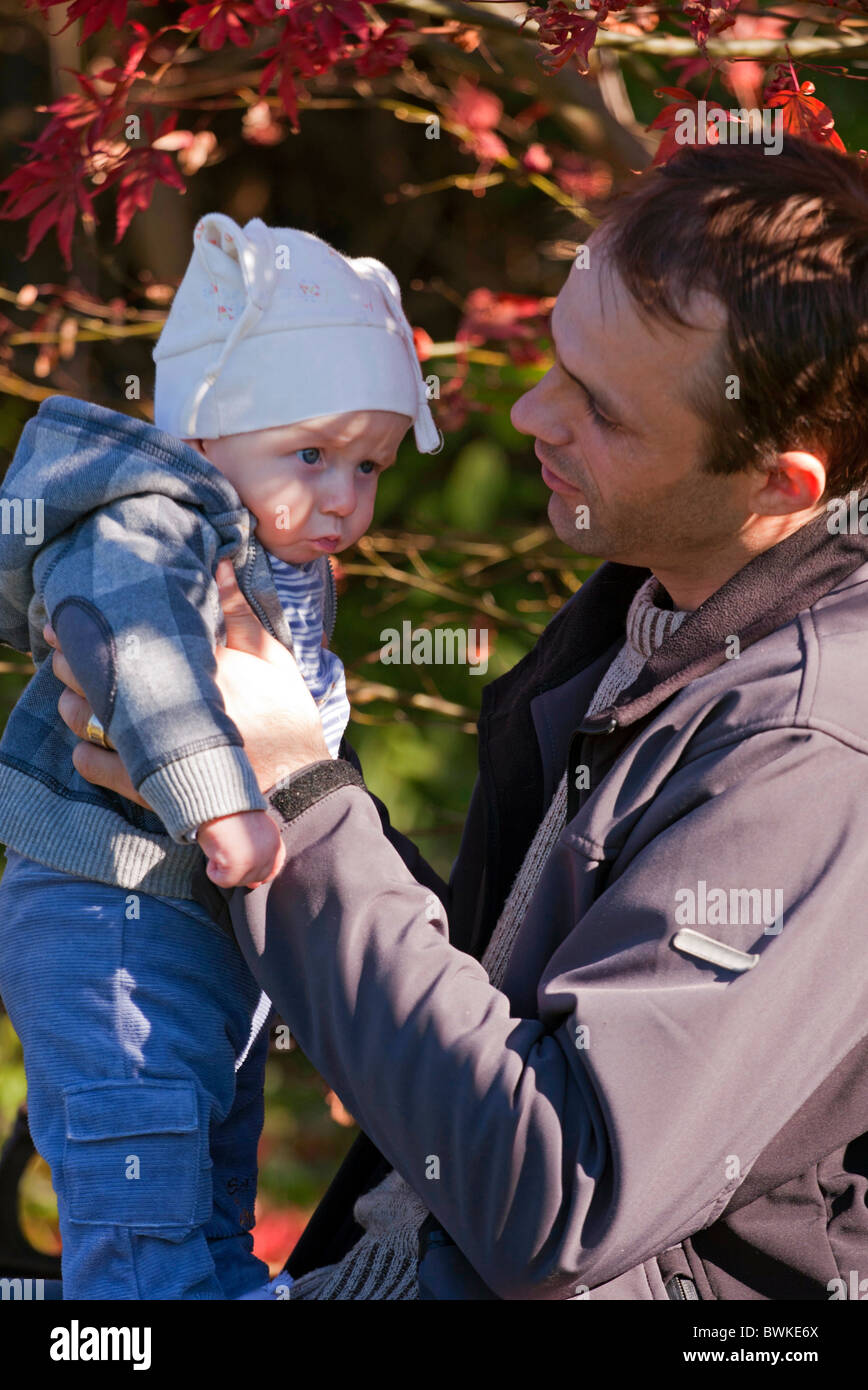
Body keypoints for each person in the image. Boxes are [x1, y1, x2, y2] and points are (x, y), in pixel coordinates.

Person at [47, 136, 868, 1300]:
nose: (532, 410)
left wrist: (291, 802)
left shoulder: (812, 747)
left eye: (601, 409)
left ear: (780, 484)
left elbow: (558, 1200)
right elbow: (495, 1004)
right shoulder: (652, 614)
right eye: (558, 358)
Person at [0, 212, 440, 1299]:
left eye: (369, 466)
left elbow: (302, 738)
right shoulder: (145, 522)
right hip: (110, 913)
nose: (343, 496)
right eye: (312, 453)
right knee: (140, 1199)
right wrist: (221, 806)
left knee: (211, 1192)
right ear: (204, 433)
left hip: (205, 920)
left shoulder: (284, 560)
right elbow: (135, 659)